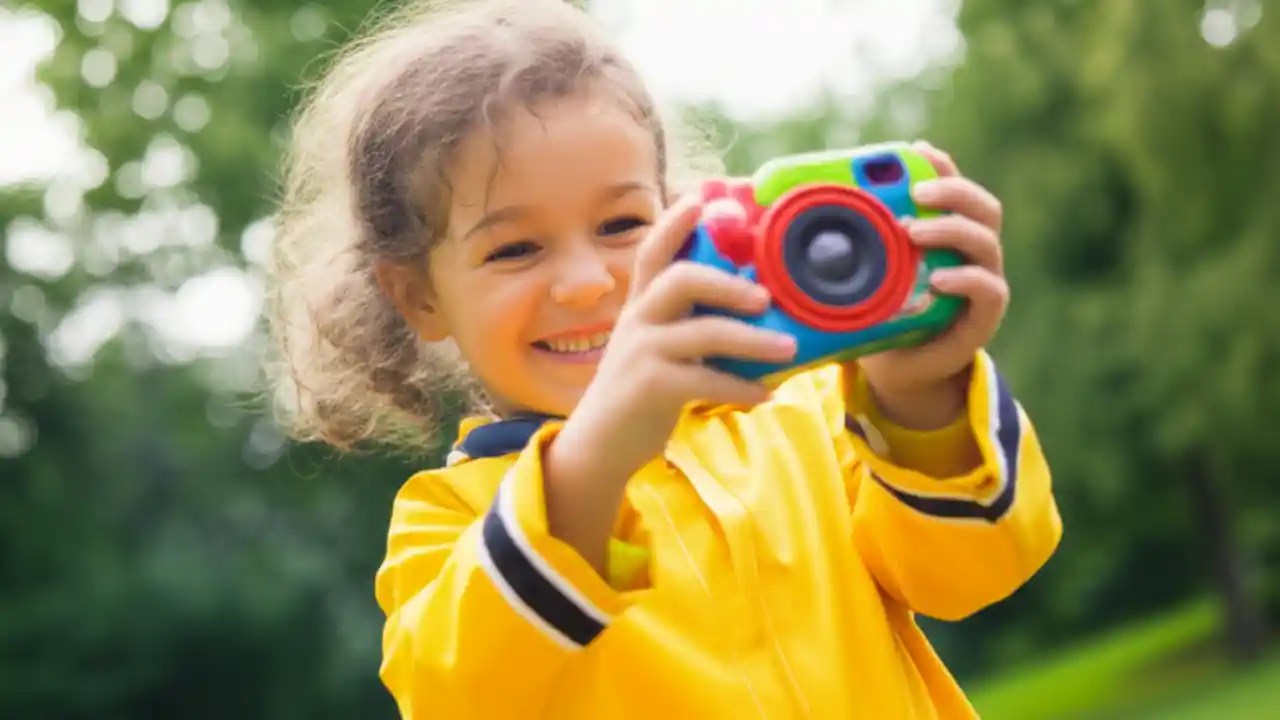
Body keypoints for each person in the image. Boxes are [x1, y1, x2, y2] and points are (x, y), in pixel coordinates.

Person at [266, 0, 1063, 717]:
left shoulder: (808, 417)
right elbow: (461, 693)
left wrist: (919, 388)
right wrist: (602, 449)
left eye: (621, 225)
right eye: (515, 248)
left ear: (679, 215)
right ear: (420, 299)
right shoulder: (448, 522)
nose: (586, 283)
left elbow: (974, 573)